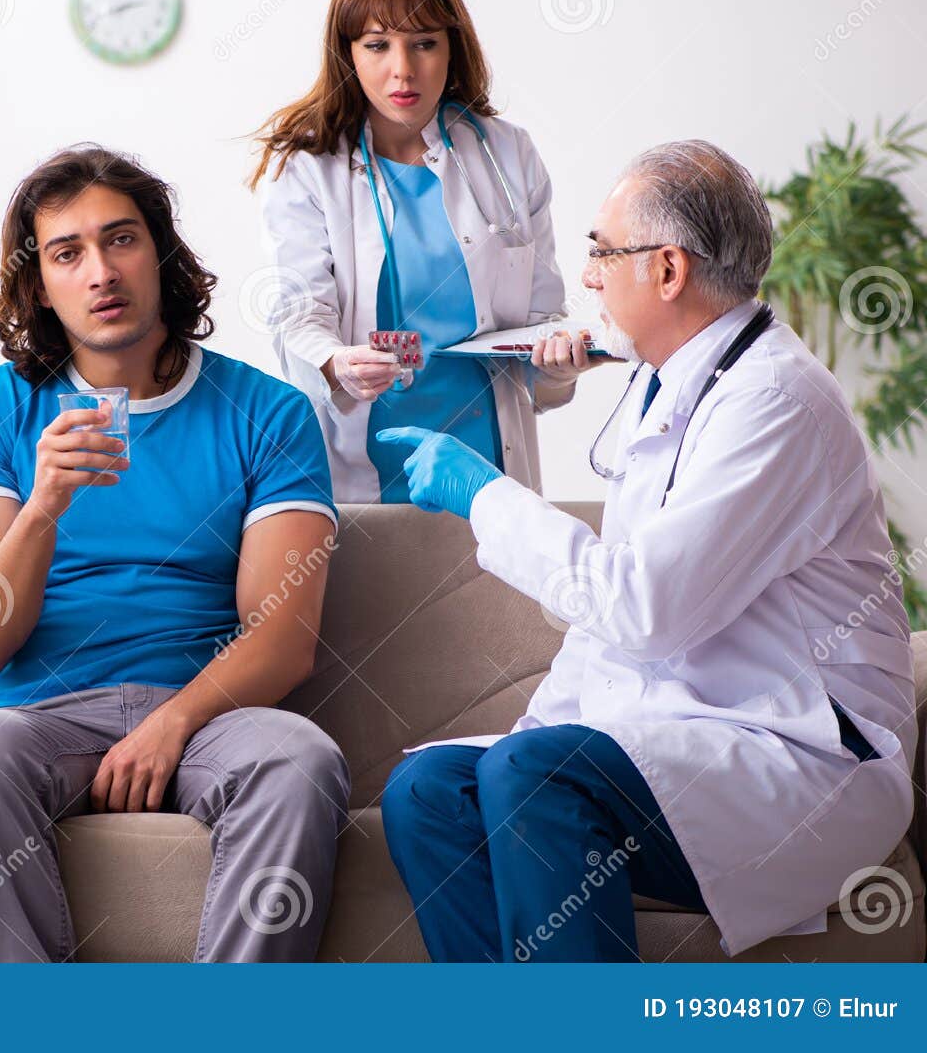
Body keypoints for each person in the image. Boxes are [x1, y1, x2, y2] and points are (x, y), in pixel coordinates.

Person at [375, 139, 916, 961]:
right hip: (684, 735)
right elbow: (608, 635)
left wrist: (483, 492)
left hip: (801, 756)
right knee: (426, 791)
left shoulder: (773, 400)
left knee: (539, 778)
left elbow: (642, 608)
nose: (587, 276)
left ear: (667, 271)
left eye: (600, 251)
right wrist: (527, 736)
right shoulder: (664, 382)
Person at [0, 145, 350, 962]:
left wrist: (173, 721)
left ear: (162, 253)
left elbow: (286, 640)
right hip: (41, 716)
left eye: (121, 239)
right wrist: (43, 506)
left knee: (301, 756)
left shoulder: (270, 413)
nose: (99, 272)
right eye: (66, 253)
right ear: (39, 283)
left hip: (210, 715)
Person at [252, 0, 605, 504]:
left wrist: (560, 365)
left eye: (424, 43)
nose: (403, 70)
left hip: (491, 469)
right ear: (348, 54)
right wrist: (337, 362)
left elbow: (540, 327)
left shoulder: (508, 154)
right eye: (377, 45)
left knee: (497, 593)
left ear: (452, 48)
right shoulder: (309, 171)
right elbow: (298, 314)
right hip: (363, 469)